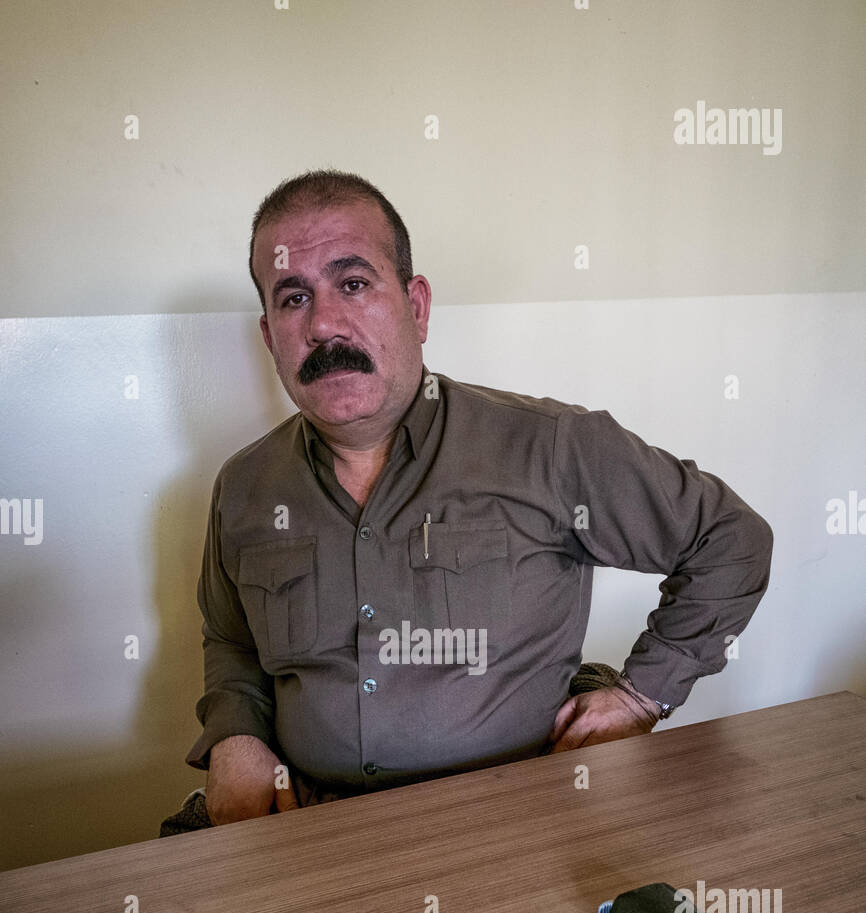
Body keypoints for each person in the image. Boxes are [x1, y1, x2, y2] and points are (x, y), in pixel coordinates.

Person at [185, 169, 772, 826]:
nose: (324, 324)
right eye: (294, 298)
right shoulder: (243, 487)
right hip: (308, 831)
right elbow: (230, 638)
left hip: (513, 831)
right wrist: (235, 740)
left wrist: (643, 696)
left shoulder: (551, 448)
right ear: (270, 335)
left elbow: (729, 537)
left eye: (354, 284)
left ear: (417, 306)